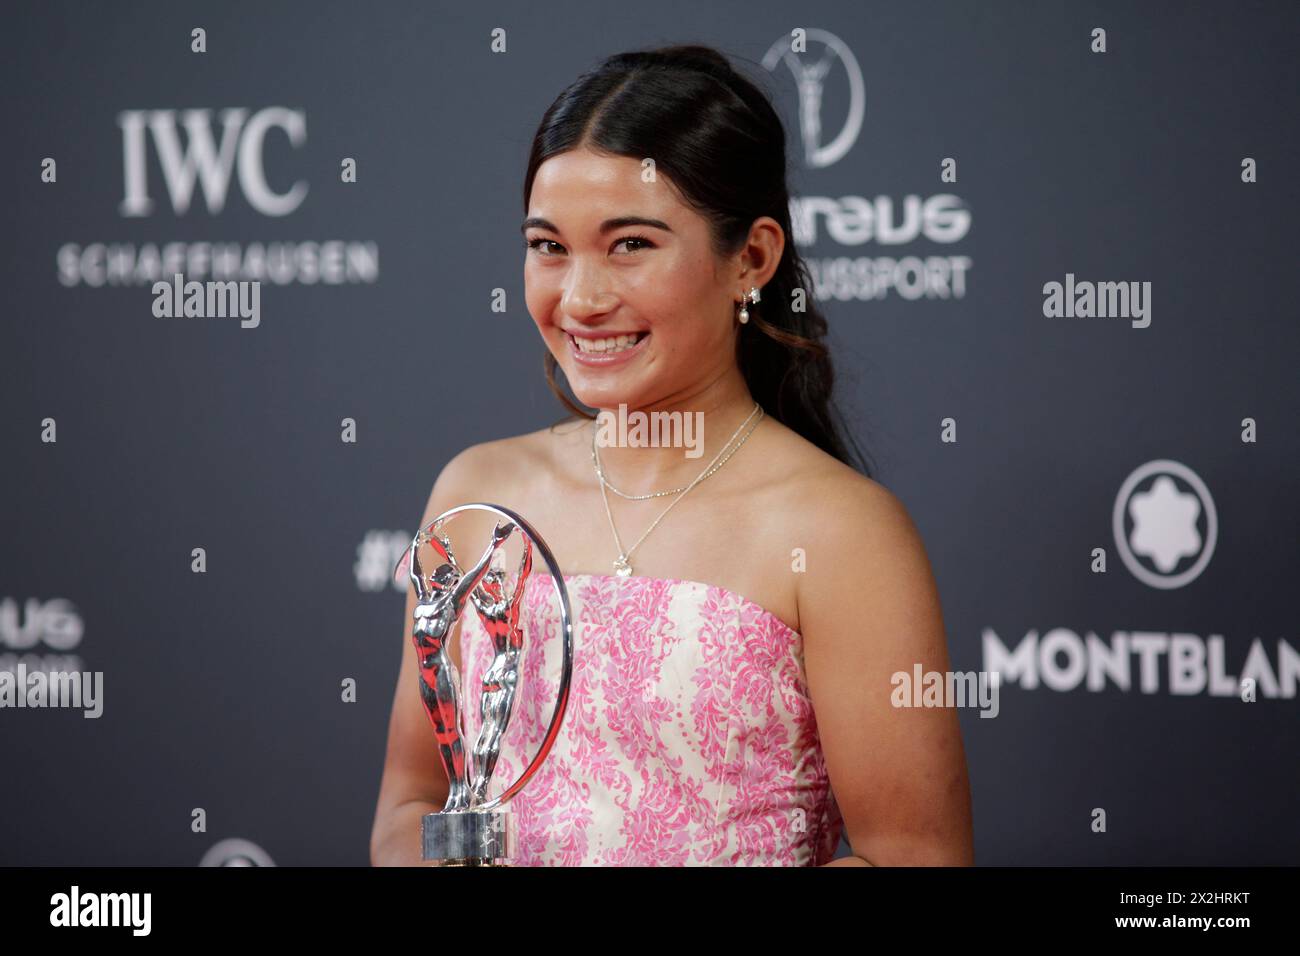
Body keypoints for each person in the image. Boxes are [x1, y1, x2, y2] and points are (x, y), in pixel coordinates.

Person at [371, 44, 973, 866]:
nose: (579, 298)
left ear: (751, 260)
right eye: (549, 246)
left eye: (630, 246)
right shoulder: (478, 493)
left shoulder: (840, 532)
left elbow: (915, 857)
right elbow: (414, 802)